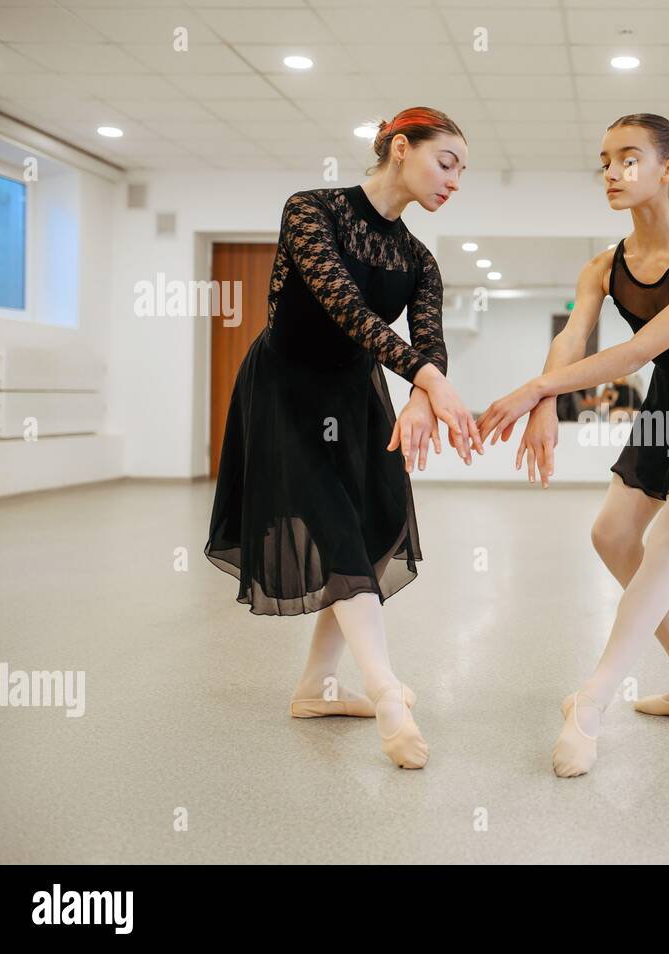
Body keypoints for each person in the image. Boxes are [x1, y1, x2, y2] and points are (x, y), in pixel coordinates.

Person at [475, 114, 669, 777]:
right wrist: (546, 396)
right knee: (612, 536)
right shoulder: (603, 265)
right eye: (604, 161)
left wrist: (535, 390)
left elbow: (641, 348)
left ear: (667, 169)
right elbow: (575, 336)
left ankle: (593, 700)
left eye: (629, 158)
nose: (613, 173)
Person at [205, 106, 483, 770]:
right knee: (334, 524)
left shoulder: (419, 260)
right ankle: (386, 691)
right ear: (399, 148)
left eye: (463, 172)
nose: (454, 181)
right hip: (286, 388)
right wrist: (427, 381)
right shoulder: (312, 210)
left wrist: (422, 392)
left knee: (367, 530)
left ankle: (319, 687)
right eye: (446, 163)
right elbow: (343, 306)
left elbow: (430, 344)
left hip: (357, 395)